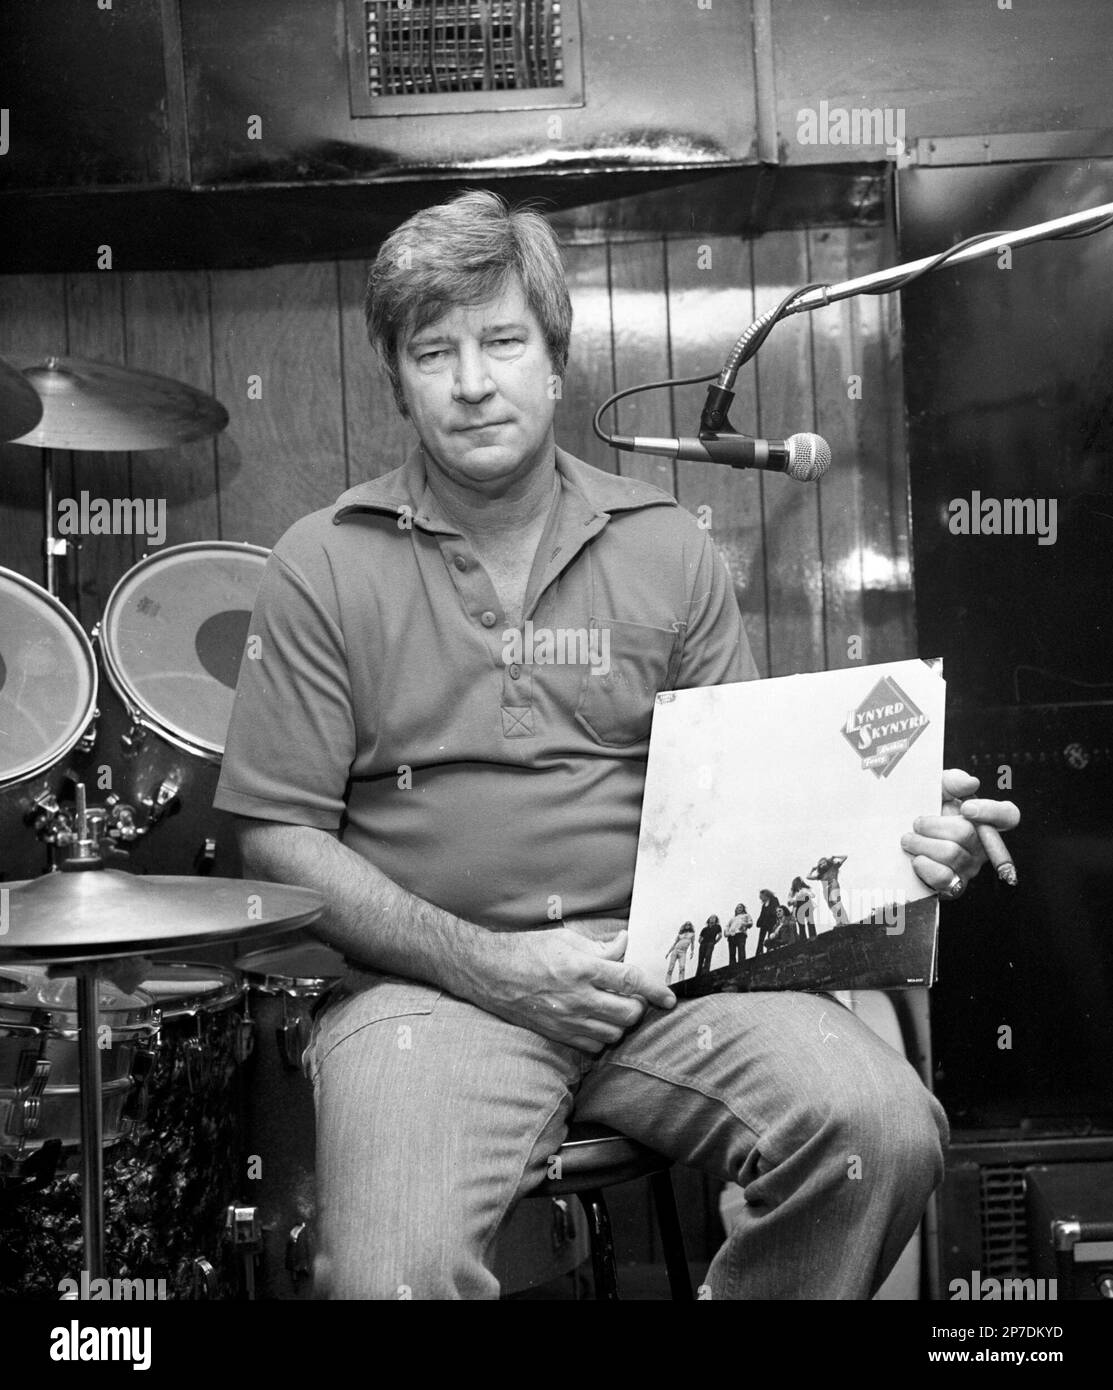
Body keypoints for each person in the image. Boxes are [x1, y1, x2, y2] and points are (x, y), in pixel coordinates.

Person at [214, 190, 1019, 1300]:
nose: (472, 380)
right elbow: (275, 842)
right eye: (432, 351)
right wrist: (495, 966)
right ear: (397, 380)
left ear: (556, 362)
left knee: (880, 1129)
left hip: (668, 984)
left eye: (502, 341)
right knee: (390, 1274)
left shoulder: (666, 548)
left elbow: (753, 822)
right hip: (428, 992)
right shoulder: (321, 562)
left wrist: (901, 844)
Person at [787, 876, 817, 940]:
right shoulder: (792, 892)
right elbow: (789, 902)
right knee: (801, 924)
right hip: (798, 906)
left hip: (807, 905)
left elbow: (813, 895)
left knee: (810, 922)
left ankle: (812, 936)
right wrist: (796, 898)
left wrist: (803, 893)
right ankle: (803, 938)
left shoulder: (805, 889)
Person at [754, 889, 780, 956]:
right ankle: (759, 952)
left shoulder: (774, 899)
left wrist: (772, 915)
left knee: (770, 936)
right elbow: (762, 914)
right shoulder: (764, 905)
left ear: (766, 895)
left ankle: (770, 949)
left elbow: (776, 909)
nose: (761, 898)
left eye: (761, 896)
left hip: (771, 921)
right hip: (764, 923)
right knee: (761, 938)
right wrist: (759, 921)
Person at [725, 902, 752, 967]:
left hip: (741, 934)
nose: (739, 908)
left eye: (740, 907)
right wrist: (726, 933)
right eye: (737, 907)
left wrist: (744, 925)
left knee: (741, 950)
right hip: (732, 935)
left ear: (743, 909)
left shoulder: (746, 915)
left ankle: (742, 965)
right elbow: (727, 926)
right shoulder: (733, 918)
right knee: (732, 953)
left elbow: (750, 923)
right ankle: (732, 967)